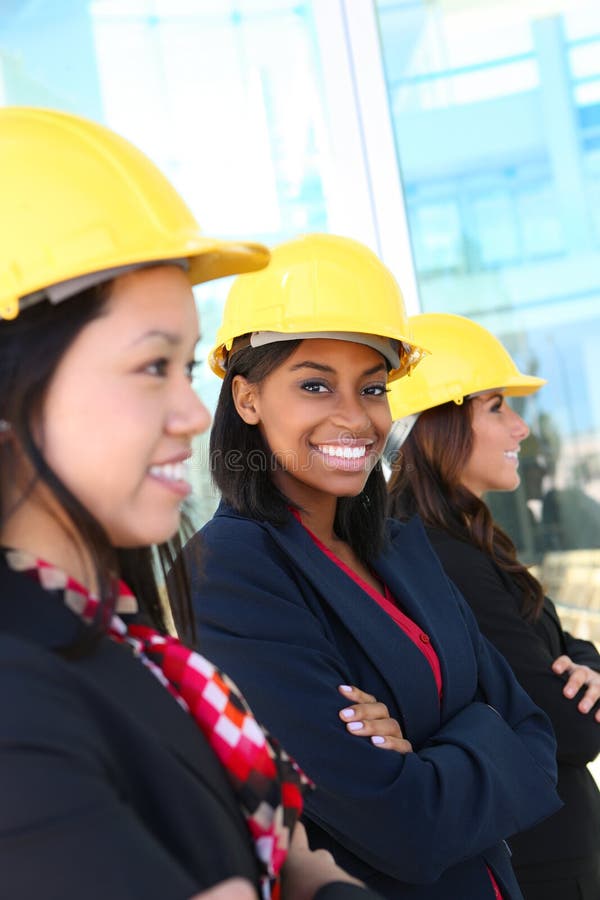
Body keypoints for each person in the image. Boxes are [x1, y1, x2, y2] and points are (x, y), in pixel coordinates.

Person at [0, 106, 388, 900]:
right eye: (152, 368)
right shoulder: (16, 692)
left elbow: (299, 858)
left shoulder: (130, 643)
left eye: (185, 366)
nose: (190, 413)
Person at [183, 233, 562, 900]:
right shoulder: (228, 576)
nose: (355, 418)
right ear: (246, 399)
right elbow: (403, 824)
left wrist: (426, 751)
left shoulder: (398, 544)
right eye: (314, 385)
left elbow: (537, 733)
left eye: (373, 387)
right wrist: (478, 731)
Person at [386, 312, 600, 900]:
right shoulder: (440, 554)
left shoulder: (462, 536)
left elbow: (557, 645)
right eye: (497, 406)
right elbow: (569, 731)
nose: (521, 429)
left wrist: (590, 668)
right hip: (541, 862)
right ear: (437, 423)